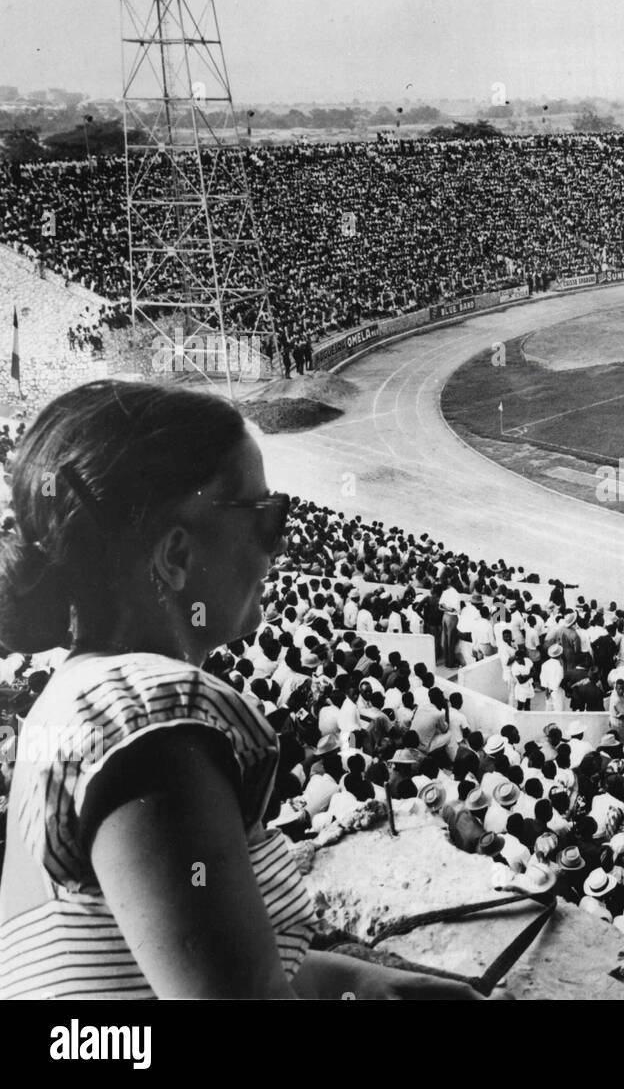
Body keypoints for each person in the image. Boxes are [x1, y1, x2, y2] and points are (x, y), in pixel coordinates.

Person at [0, 381, 485, 1000]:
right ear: (176, 556)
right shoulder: (156, 717)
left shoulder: (75, 697)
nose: (276, 548)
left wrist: (365, 982)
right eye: (265, 520)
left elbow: (196, 962)